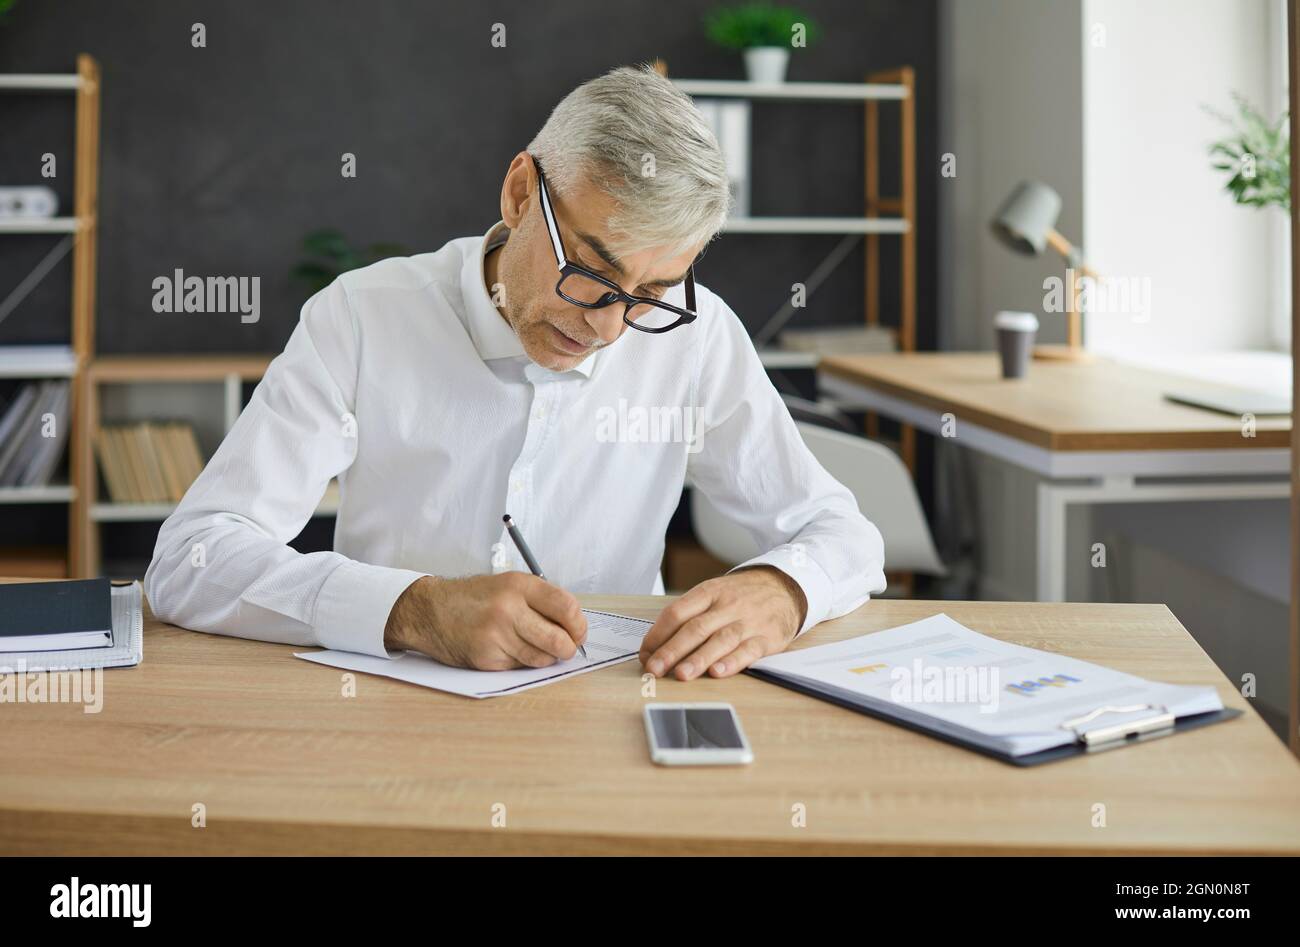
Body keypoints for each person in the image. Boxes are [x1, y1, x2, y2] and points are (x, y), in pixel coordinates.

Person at [145, 64, 886, 681]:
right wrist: (414, 609)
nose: (605, 326)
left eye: (650, 294)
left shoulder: (697, 338)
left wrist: (783, 591)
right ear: (520, 193)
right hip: (388, 724)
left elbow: (843, 534)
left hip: (619, 715)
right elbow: (189, 559)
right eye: (591, 272)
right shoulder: (363, 317)